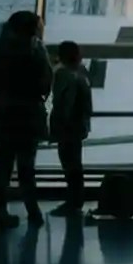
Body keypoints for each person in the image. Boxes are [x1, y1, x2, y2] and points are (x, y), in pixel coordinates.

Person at [0, 11, 53, 228]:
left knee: (3, 165)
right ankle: (32, 209)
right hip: (28, 116)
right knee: (27, 166)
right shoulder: (37, 52)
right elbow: (45, 84)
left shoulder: (1, 50)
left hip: (5, 112)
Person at [49, 41, 92, 217]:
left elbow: (62, 102)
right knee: (75, 164)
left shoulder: (62, 75)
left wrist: (60, 124)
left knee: (69, 164)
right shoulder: (81, 73)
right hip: (78, 125)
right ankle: (76, 200)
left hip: (67, 127)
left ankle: (73, 201)